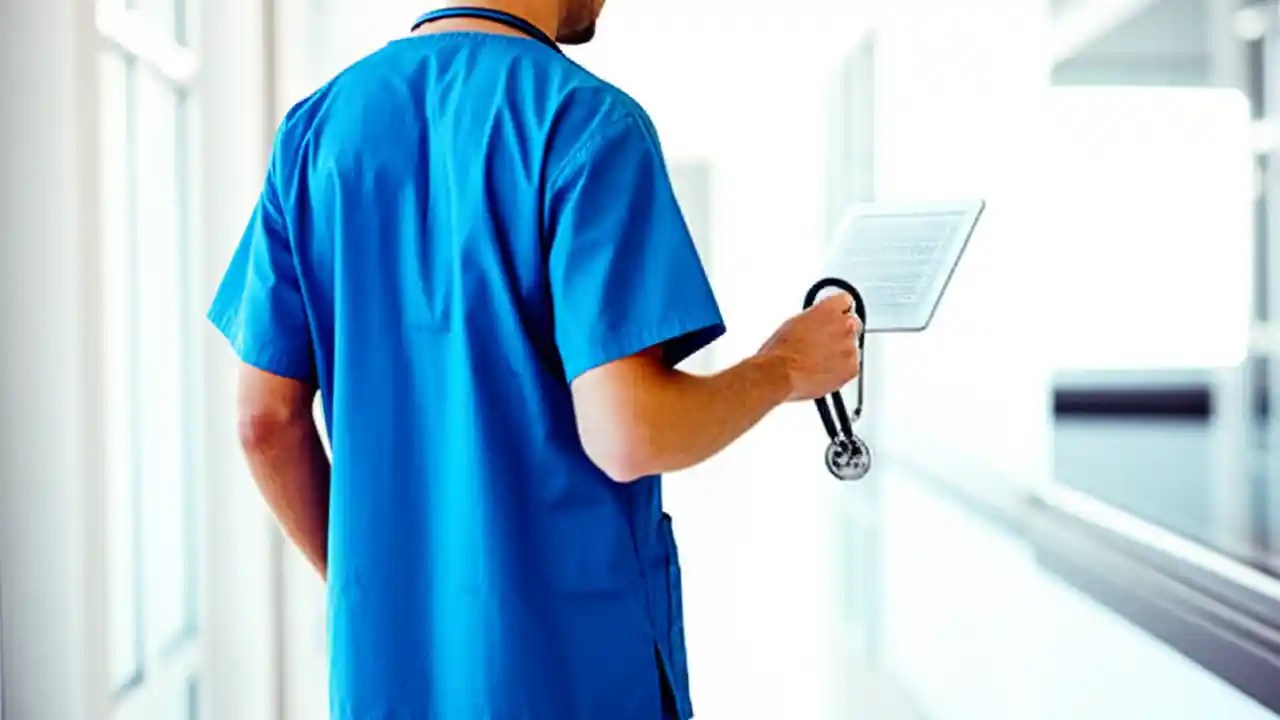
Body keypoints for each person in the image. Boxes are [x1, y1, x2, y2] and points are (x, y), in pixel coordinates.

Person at [207, 1, 861, 718]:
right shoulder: (585, 124)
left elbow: (262, 421)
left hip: (388, 686)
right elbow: (630, 432)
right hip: (568, 675)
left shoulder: (316, 132)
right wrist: (785, 367)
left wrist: (386, 596)